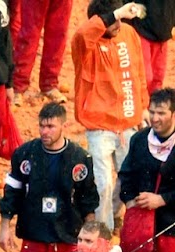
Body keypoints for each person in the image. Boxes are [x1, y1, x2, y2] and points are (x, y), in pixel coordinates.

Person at [0, 103, 99, 252]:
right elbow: (12, 192)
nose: (45, 131)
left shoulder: (80, 158)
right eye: (42, 126)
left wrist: (91, 239)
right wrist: (5, 227)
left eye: (51, 126)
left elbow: (88, 199)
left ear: (63, 126)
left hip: (66, 236)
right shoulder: (25, 154)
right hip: (34, 235)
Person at [74, 3, 150, 233]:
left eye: (121, 19)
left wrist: (143, 107)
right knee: (104, 183)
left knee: (133, 179)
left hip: (129, 121)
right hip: (99, 127)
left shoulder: (128, 34)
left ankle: (123, 221)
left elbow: (138, 73)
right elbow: (82, 33)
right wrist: (114, 15)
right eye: (114, 20)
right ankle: (104, 234)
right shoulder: (84, 43)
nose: (119, 24)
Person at [116, 87, 175, 252]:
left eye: (161, 112)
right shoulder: (139, 139)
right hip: (140, 233)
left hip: (170, 232)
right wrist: (131, 202)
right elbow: (126, 175)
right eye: (152, 112)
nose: (155, 118)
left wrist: (162, 199)